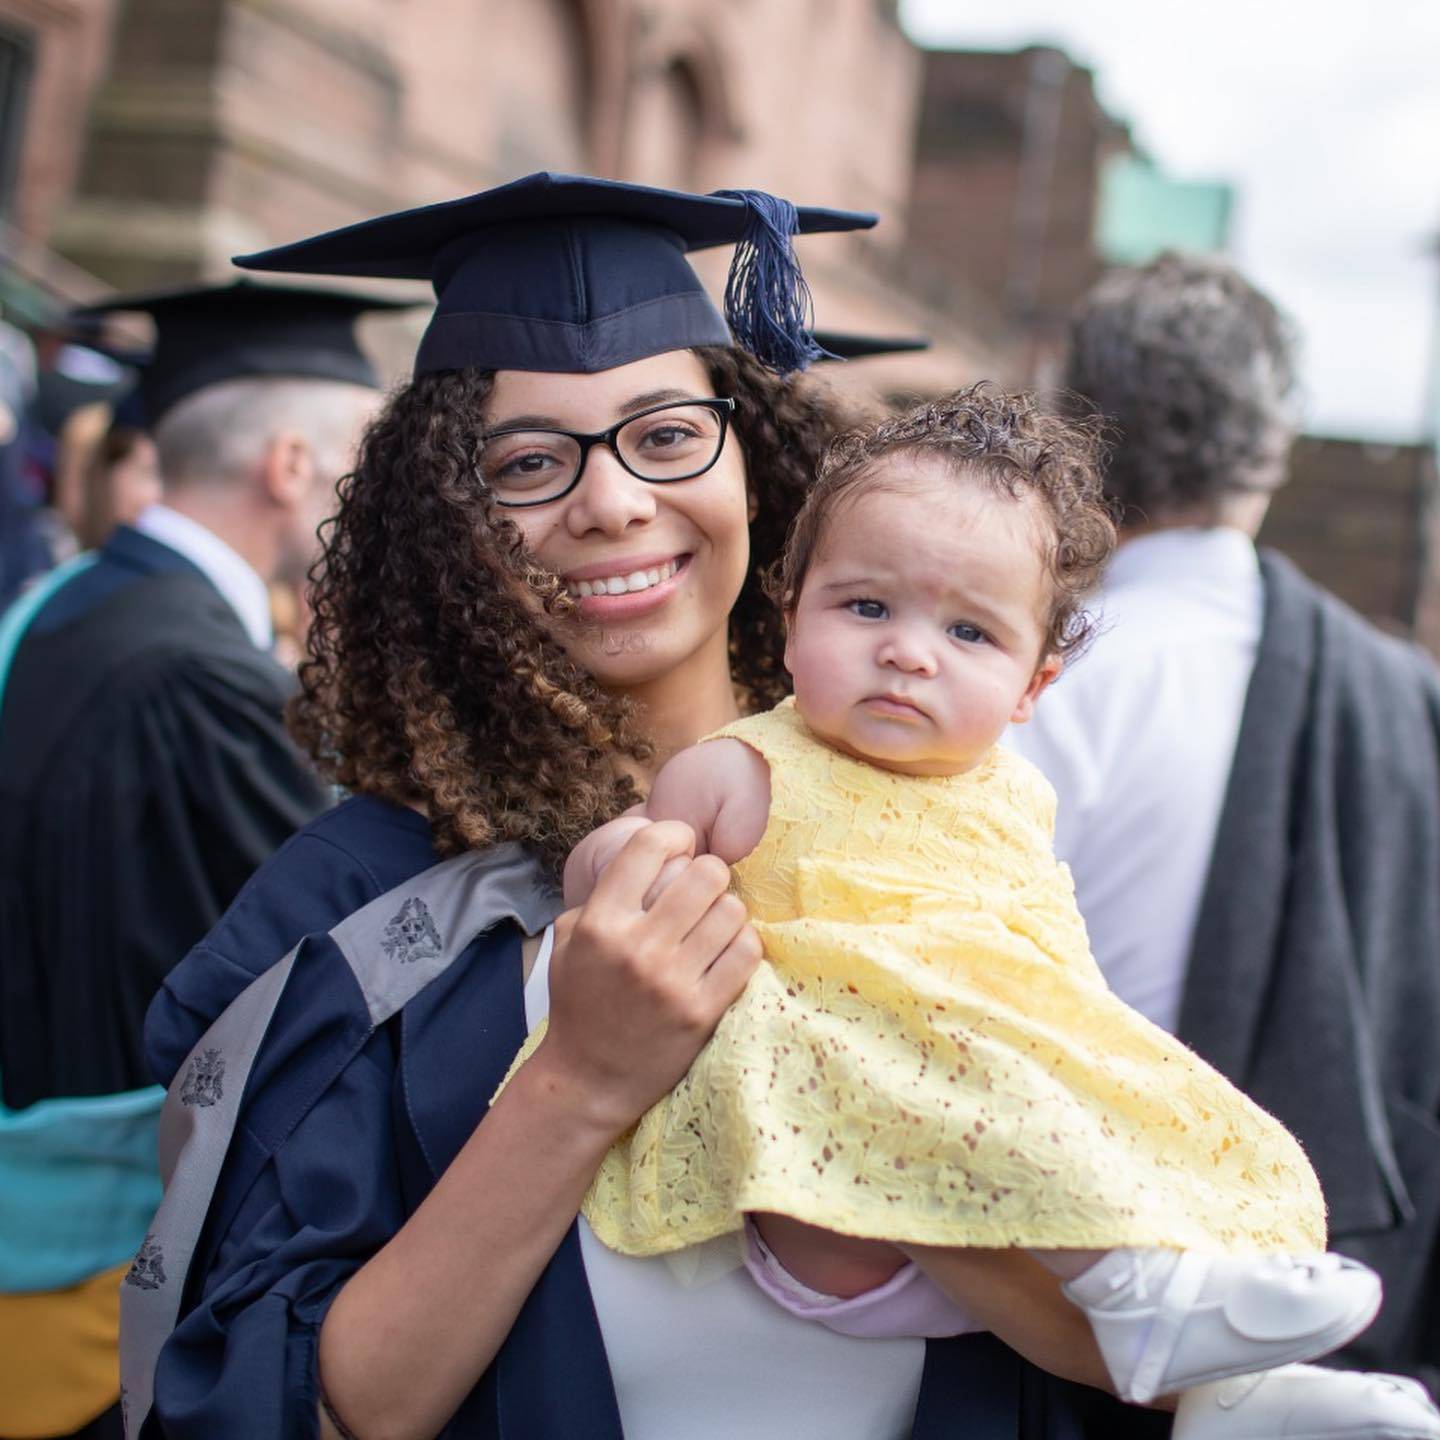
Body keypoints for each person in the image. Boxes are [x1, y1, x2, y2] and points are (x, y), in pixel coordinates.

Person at [133, 174, 1173, 1440]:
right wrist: (578, 1078)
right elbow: (295, 1404)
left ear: (755, 466)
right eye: (527, 464)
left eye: (668, 434)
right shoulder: (354, 913)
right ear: (447, 519)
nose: (614, 501)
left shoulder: (951, 831)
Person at [551, 384, 1438, 1440]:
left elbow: (1049, 965)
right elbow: (627, 891)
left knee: (1116, 1113)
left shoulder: (1016, 796)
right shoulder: (743, 774)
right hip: (815, 1158)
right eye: (865, 607)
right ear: (790, 622)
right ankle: (1146, 1304)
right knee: (987, 1125)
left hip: (967, 1175)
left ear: (1033, 686)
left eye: (968, 631)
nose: (909, 652)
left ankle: (1226, 1389)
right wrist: (611, 854)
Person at [1007, 253, 1440, 1395]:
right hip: (1349, 1285)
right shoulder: (1408, 700)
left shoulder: (1029, 687)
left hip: (1043, 1304)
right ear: (1274, 444)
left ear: (1075, 434)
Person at [0, 280, 404, 1440]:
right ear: (289, 465)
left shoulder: (68, 601)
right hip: (104, 1257)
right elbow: (315, 968)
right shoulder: (201, 677)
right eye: (354, 468)